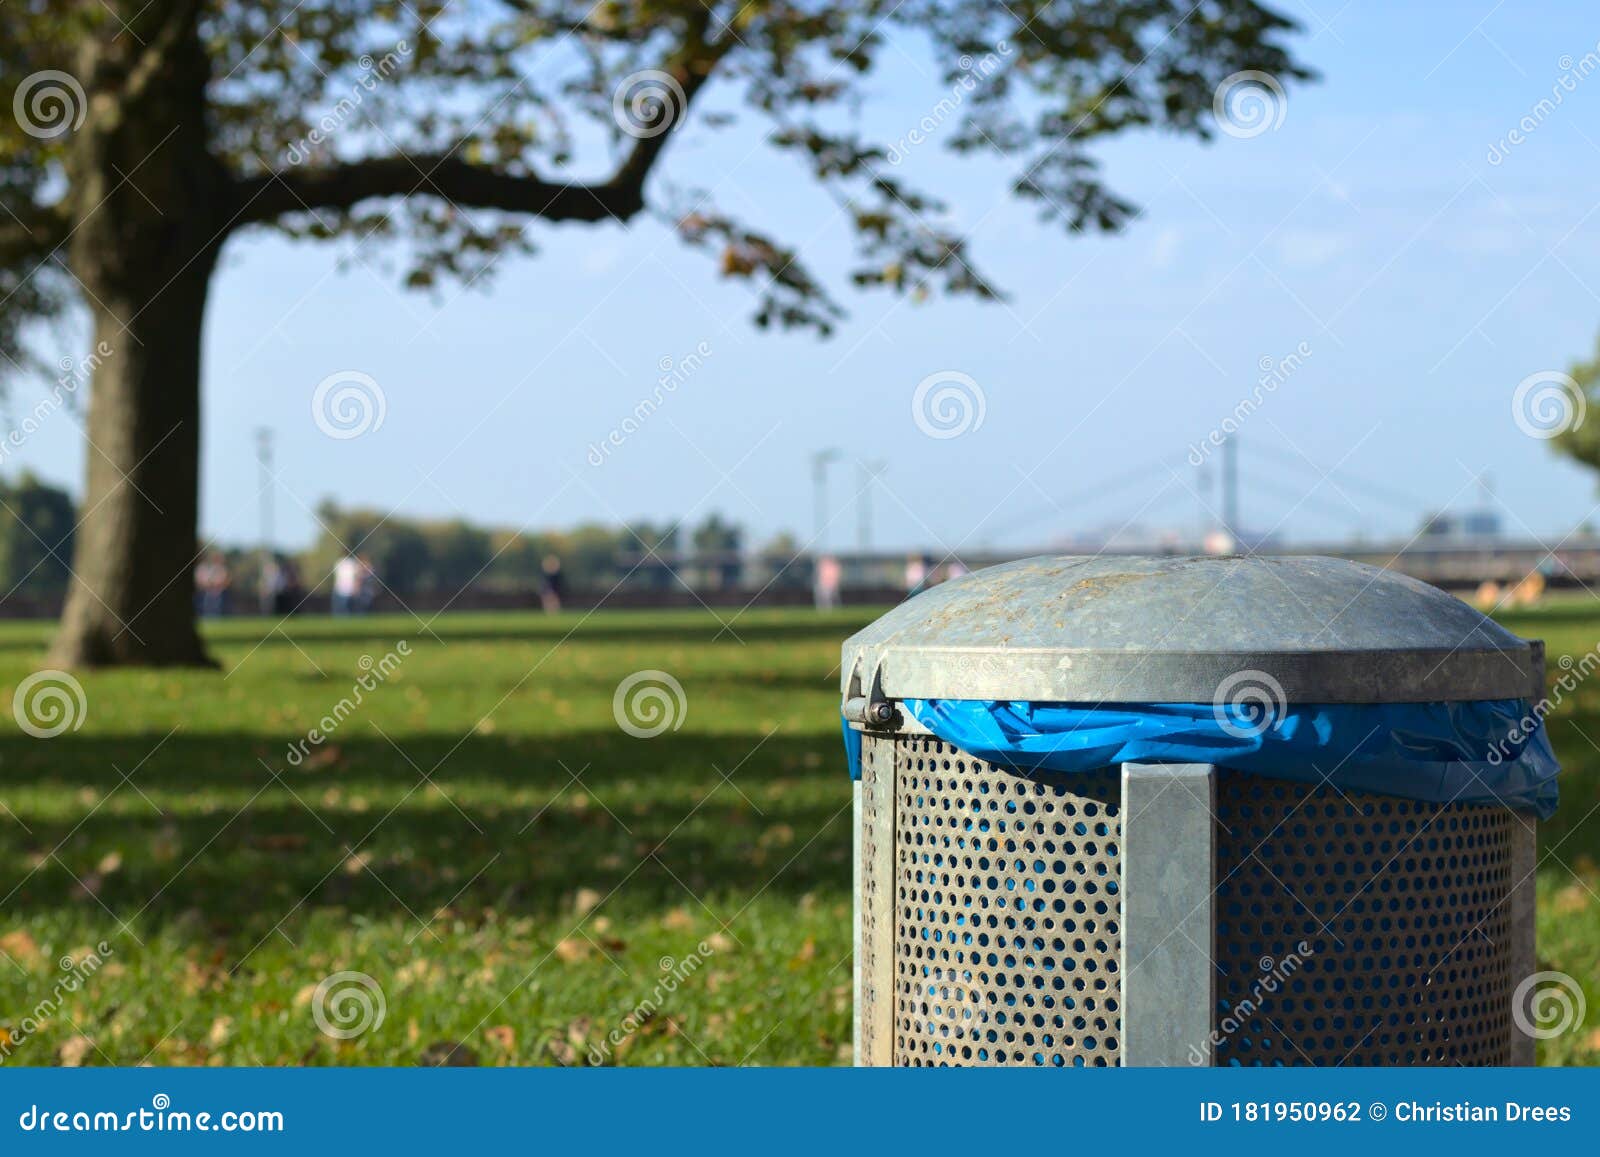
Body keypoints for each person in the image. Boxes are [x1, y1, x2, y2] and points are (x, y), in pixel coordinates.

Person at [195, 552, 230, 617]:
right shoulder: (211, 568)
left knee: (217, 608)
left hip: (218, 592)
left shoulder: (222, 569)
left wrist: (218, 585)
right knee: (207, 607)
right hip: (209, 591)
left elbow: (225, 580)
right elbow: (208, 579)